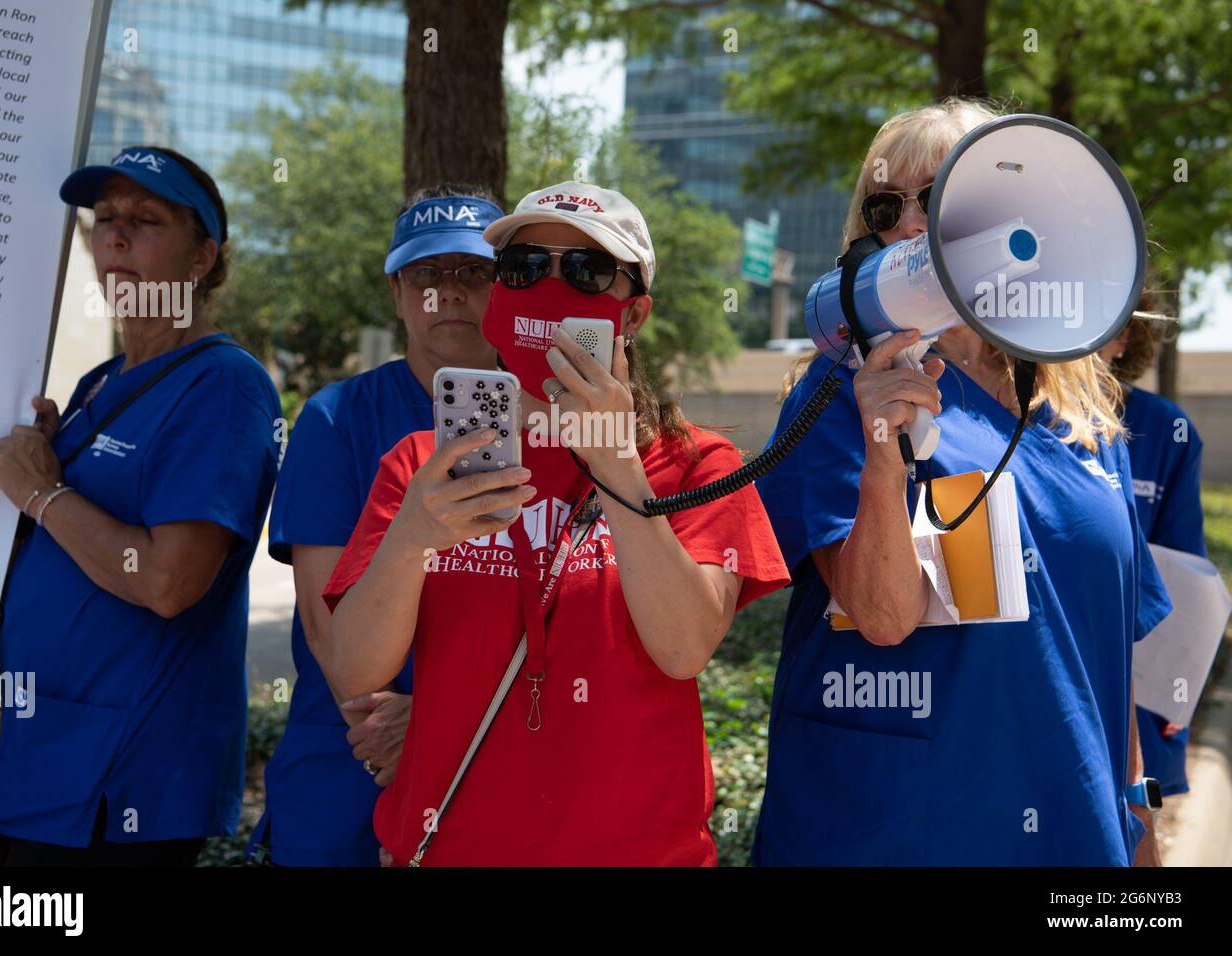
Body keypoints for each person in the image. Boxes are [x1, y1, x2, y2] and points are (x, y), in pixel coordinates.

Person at [752, 100, 1172, 866]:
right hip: (895, 835)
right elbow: (882, 616)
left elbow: (1104, 651)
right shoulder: (839, 394)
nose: (913, 225)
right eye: (888, 206)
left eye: (945, 198)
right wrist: (883, 450)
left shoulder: (1083, 421)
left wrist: (1138, 821)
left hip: (1075, 837)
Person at [322, 181, 789, 866]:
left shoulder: (695, 463)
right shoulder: (422, 465)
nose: (550, 285)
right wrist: (411, 540)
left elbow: (684, 646)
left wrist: (617, 465)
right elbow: (358, 667)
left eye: (587, 270)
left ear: (633, 315)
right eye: (524, 267)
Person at [0, 145, 282, 866]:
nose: (114, 235)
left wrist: (43, 493)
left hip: (125, 783)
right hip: (48, 758)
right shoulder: (98, 381)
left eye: (145, 219)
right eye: (103, 217)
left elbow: (169, 583)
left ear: (203, 254)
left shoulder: (225, 386)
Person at [247, 185, 505, 866]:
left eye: (473, 272)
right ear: (397, 295)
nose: (448, 293)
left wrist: (438, 731)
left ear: (507, 284)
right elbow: (323, 613)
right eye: (425, 274)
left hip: (499, 771)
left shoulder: (555, 417)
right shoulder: (336, 417)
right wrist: (393, 742)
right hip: (347, 778)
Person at [1100, 316, 1206, 799]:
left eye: (1112, 320)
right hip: (1049, 671)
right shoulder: (1013, 409)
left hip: (1140, 676)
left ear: (1128, 340)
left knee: (1135, 820)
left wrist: (1176, 692)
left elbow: (1186, 582)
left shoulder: (1166, 431)